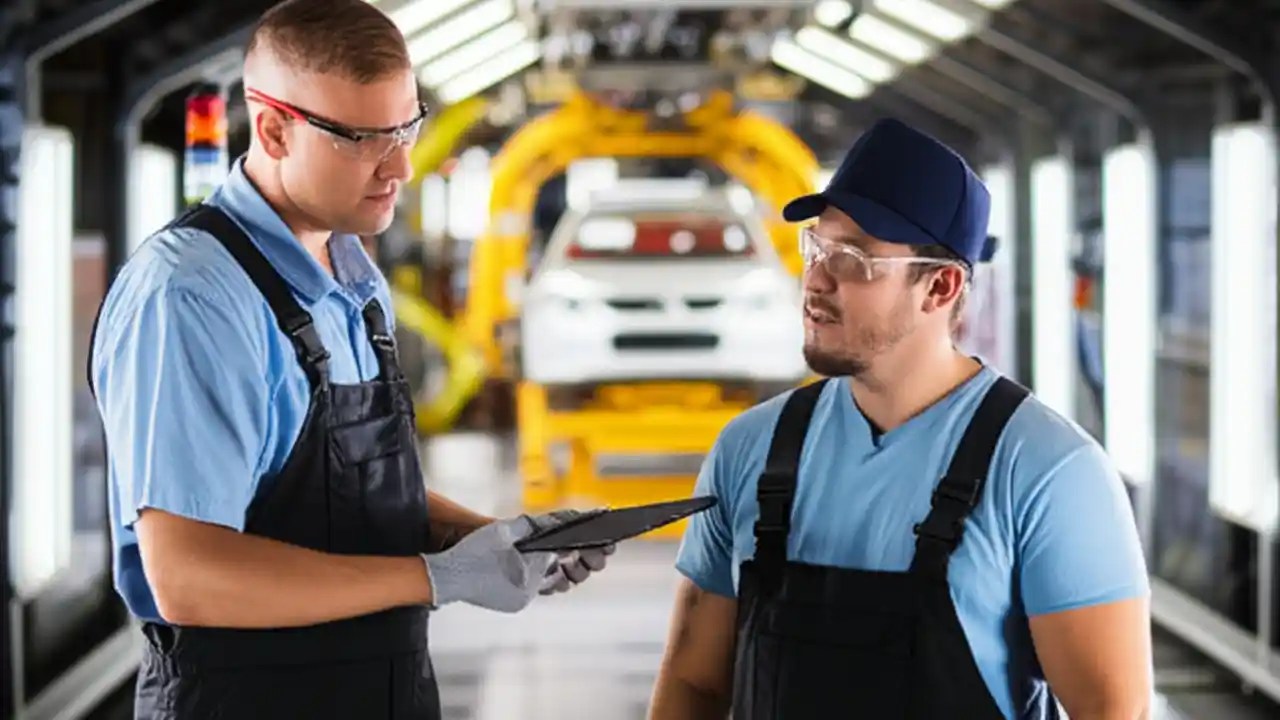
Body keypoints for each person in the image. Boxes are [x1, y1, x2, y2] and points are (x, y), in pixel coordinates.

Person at [88, 1, 611, 718]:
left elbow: (345, 493)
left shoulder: (351, 279)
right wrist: (435, 577)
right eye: (362, 138)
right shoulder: (193, 300)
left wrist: (490, 540)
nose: (399, 165)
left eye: (406, 128)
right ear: (272, 128)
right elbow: (191, 576)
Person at [648, 118, 1153, 719]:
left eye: (855, 259)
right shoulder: (750, 451)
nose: (815, 280)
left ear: (939, 287)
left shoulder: (1048, 471)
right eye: (818, 247)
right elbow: (694, 684)